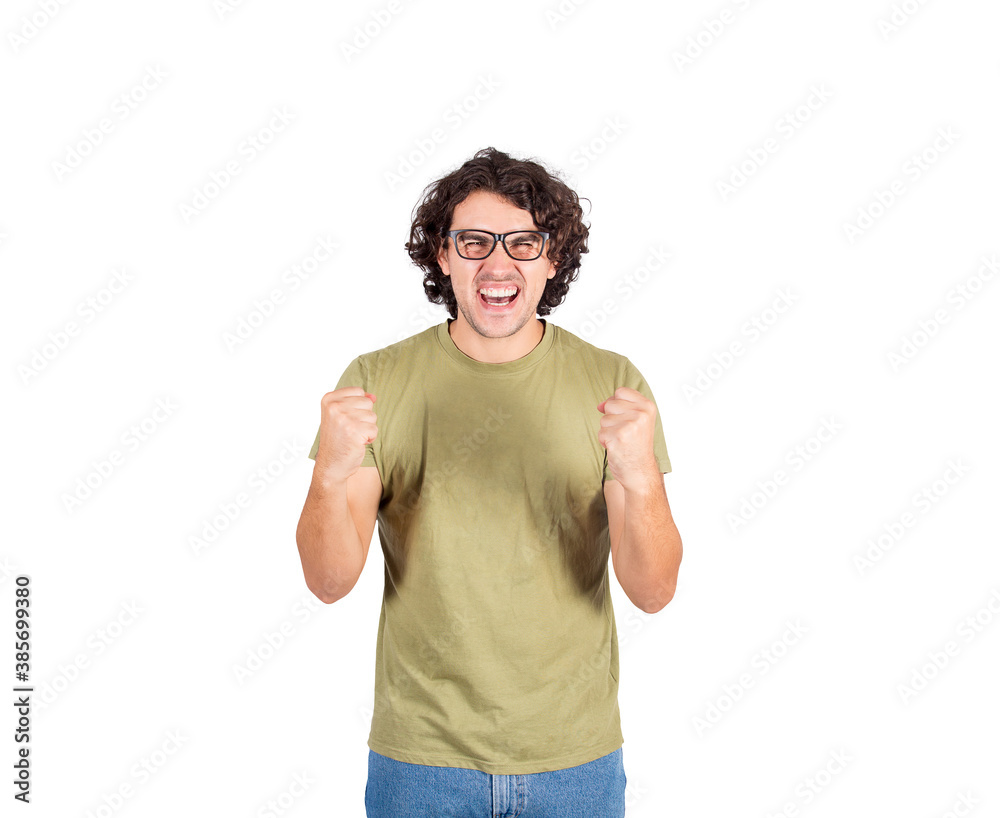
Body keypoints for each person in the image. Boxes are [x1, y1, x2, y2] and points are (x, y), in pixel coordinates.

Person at [295, 147, 682, 817]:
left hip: (575, 760)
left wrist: (641, 478)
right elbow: (329, 583)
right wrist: (330, 476)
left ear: (552, 258)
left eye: (524, 242)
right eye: (474, 241)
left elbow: (653, 592)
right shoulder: (377, 382)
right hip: (421, 761)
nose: (497, 264)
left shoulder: (613, 385)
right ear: (442, 257)